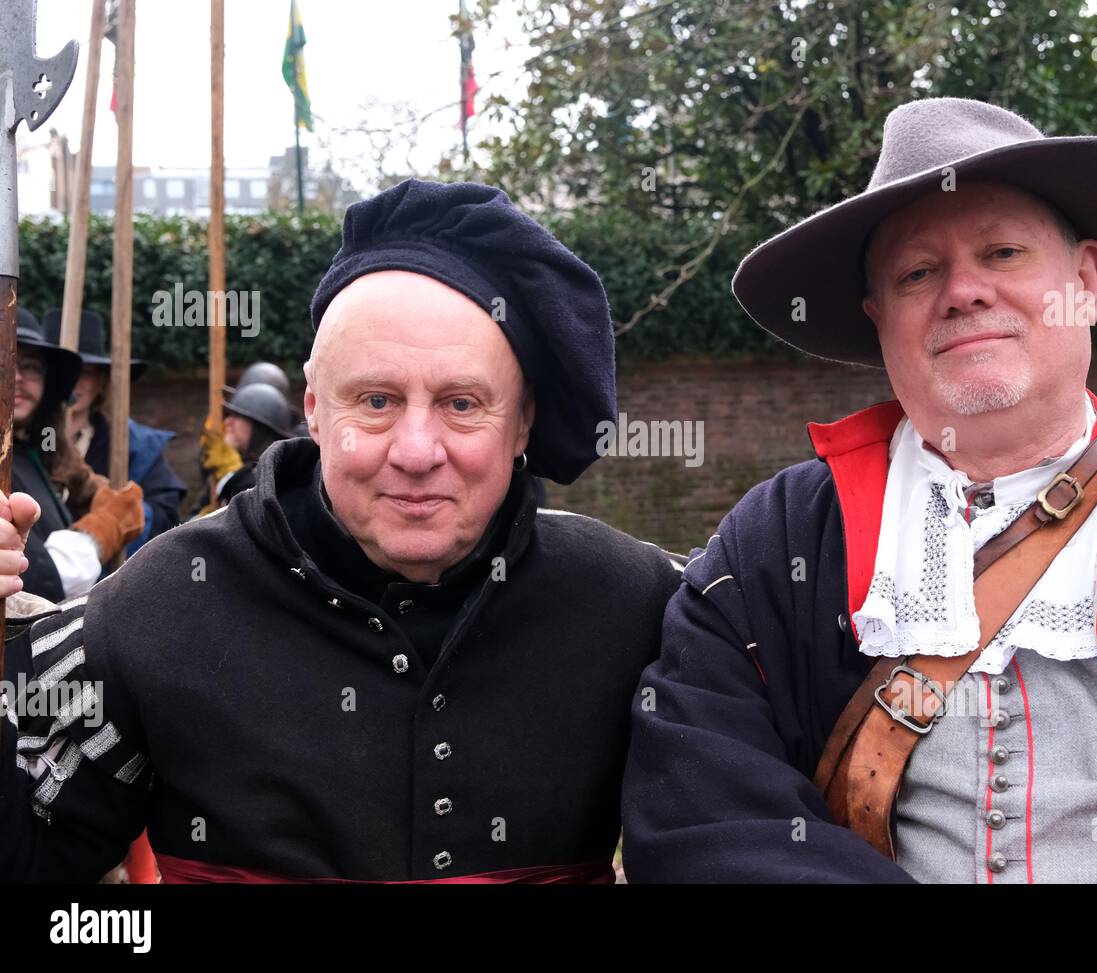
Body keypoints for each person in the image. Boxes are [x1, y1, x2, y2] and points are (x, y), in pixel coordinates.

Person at [621, 98, 1097, 883]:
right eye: (918, 272)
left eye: (1004, 252)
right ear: (880, 319)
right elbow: (701, 816)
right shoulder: (773, 542)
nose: (964, 291)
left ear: (1085, 280)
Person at [0, 179, 681, 883]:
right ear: (315, 409)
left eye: (462, 403)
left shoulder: (640, 606)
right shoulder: (152, 610)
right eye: (376, 400)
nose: (417, 451)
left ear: (523, 423)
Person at [7, 308, 144, 603]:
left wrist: (100, 497)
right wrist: (102, 529)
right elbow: (43, 581)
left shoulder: (36, 449)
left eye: (31, 367)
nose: (17, 377)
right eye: (4, 360)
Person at [44, 309, 187, 555]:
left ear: (101, 382)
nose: (74, 382)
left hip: (107, 585)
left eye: (86, 372)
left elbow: (166, 519)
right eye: (65, 371)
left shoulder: (135, 446)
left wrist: (122, 516)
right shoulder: (18, 440)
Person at [192, 380, 295, 513]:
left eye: (237, 416)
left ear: (259, 429)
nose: (227, 422)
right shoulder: (229, 463)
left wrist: (233, 476)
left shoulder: (276, 477)